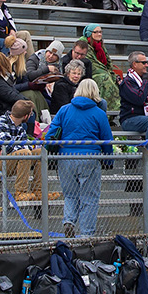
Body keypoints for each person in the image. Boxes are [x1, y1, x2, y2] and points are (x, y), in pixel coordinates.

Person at [45, 77, 113, 237]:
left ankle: (69, 220)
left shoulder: (64, 110)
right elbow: (106, 139)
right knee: (89, 198)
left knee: (70, 194)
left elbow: (51, 133)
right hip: (90, 156)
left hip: (66, 156)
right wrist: (108, 160)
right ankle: (86, 234)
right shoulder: (99, 113)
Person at [116, 51, 148, 136]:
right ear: (134, 64)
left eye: (146, 62)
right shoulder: (127, 82)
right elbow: (139, 99)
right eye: (144, 63)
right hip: (130, 119)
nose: (147, 65)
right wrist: (145, 82)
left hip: (146, 117)